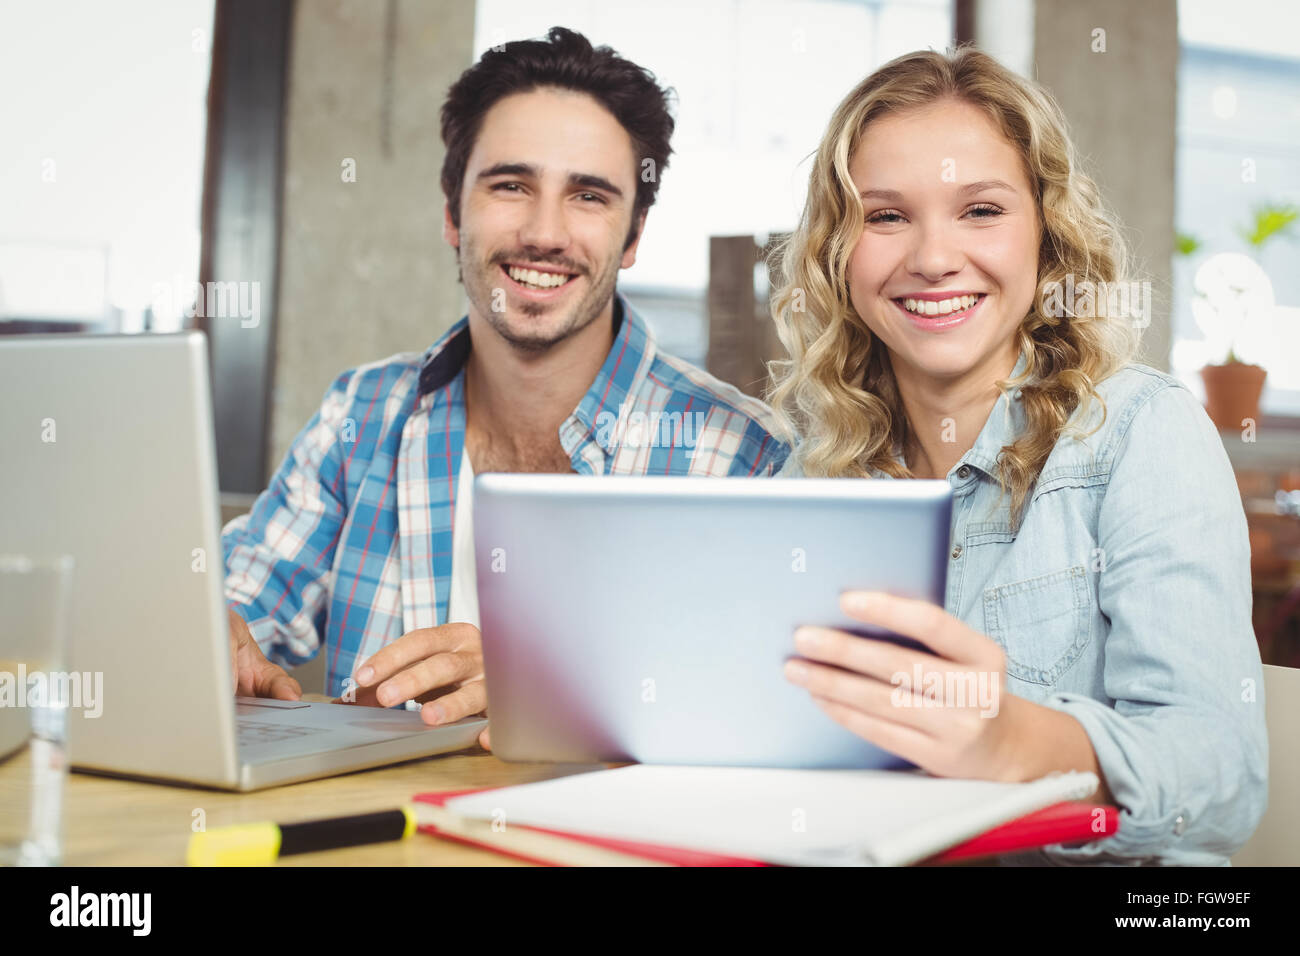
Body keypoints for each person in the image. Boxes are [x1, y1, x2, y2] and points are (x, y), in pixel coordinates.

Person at [770, 45, 1266, 864]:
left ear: (1048, 235)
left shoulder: (1143, 432)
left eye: (981, 210)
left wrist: (1014, 745)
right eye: (886, 215)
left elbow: (1223, 778)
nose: (932, 258)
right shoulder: (817, 466)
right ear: (838, 251)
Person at [224, 28, 787, 748]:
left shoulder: (742, 456)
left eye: (588, 195)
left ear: (635, 233)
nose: (544, 233)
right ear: (453, 213)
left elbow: (756, 717)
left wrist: (550, 684)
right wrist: (213, 629)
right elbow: (240, 602)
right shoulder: (361, 416)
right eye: (511, 185)